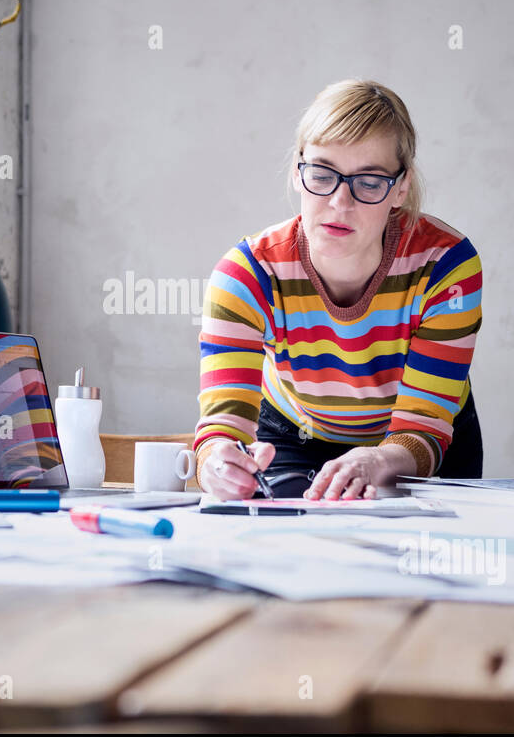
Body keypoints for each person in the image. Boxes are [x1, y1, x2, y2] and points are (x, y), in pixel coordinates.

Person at [193, 79, 483, 501]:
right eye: (322, 173)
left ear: (401, 188)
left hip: (422, 441)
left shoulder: (446, 266)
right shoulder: (246, 275)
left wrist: (380, 459)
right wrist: (218, 464)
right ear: (298, 173)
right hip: (294, 434)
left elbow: (423, 426)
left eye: (369, 182)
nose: (339, 203)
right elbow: (221, 429)